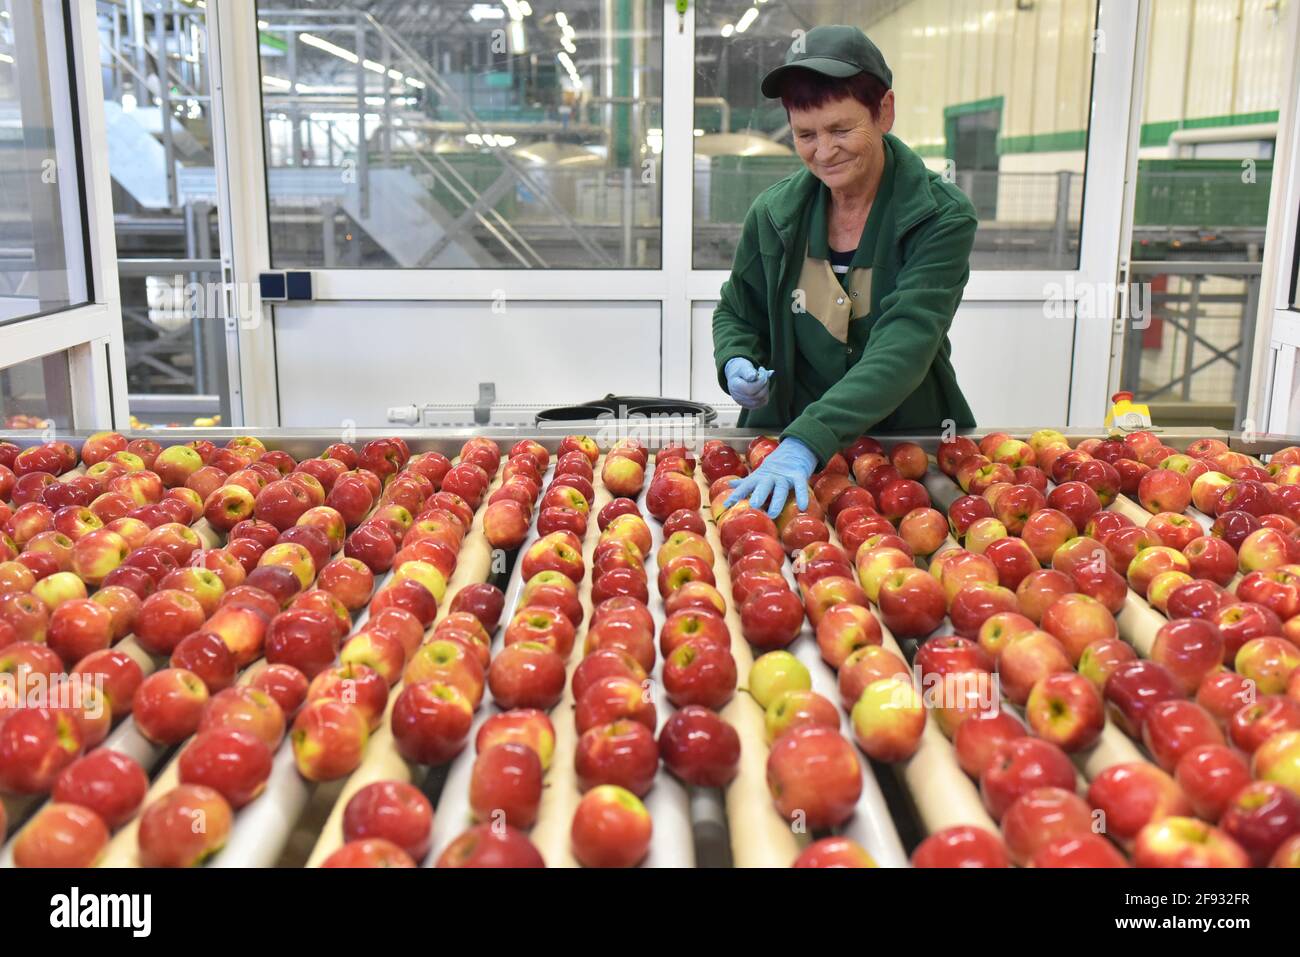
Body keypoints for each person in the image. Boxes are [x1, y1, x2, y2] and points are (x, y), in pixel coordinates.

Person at [714, 24, 977, 518]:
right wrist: (734, 360)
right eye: (805, 135)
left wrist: (807, 440)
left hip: (902, 448)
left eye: (840, 129)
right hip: (786, 449)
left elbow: (905, 343)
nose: (824, 151)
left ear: (884, 112)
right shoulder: (775, 215)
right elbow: (737, 310)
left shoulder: (940, 217)